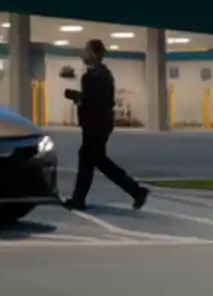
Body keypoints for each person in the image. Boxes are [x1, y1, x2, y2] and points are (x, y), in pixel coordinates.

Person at [63, 39, 149, 211]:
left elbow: (98, 100)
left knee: (96, 160)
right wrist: (80, 98)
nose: (84, 54)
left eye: (86, 50)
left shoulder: (98, 75)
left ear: (94, 54)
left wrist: (79, 98)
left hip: (96, 124)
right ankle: (79, 198)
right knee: (89, 159)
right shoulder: (98, 74)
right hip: (95, 124)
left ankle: (136, 190)